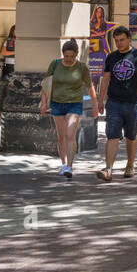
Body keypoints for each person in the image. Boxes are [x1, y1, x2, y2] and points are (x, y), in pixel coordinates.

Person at [95, 26, 137, 182]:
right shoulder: (111, 57)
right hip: (114, 103)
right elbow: (105, 80)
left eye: (122, 40)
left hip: (133, 103)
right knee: (112, 135)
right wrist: (101, 100)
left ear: (129, 39)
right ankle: (108, 169)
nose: (119, 43)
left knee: (131, 136)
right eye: (116, 41)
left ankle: (130, 165)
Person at [39, 39, 99, 180]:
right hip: (57, 103)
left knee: (70, 134)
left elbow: (90, 88)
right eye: (66, 56)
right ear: (63, 54)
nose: (69, 59)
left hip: (74, 104)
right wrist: (43, 102)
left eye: (72, 56)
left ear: (76, 54)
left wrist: (95, 105)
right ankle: (63, 164)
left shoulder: (82, 68)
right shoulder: (55, 64)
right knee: (61, 137)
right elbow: (45, 84)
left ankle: (70, 167)